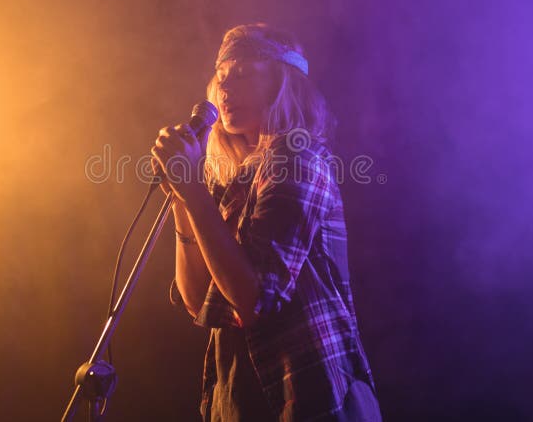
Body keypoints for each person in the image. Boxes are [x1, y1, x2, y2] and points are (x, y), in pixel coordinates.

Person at [150, 23, 382, 421]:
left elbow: (256, 298)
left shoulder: (298, 161)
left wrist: (192, 190)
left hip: (309, 397)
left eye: (241, 75)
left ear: (281, 84)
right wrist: (180, 200)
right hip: (239, 402)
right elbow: (196, 300)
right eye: (220, 78)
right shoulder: (233, 185)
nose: (224, 90)